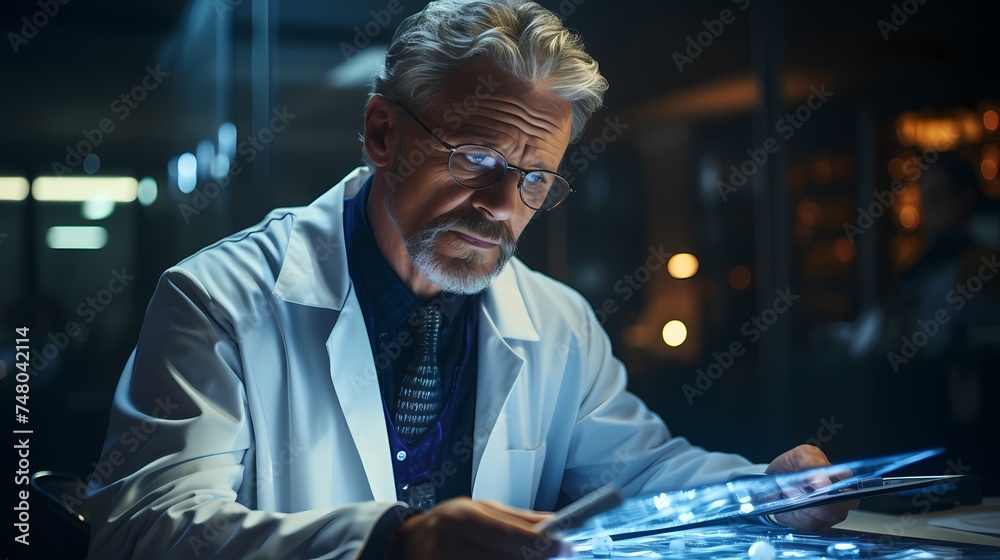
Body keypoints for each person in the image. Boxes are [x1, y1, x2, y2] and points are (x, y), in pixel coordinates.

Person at [85, 1, 856, 558]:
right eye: (478, 159)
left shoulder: (558, 321)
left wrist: (764, 491)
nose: (499, 208)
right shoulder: (218, 299)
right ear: (382, 133)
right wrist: (391, 543)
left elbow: (641, 474)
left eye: (533, 180)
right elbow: (144, 527)